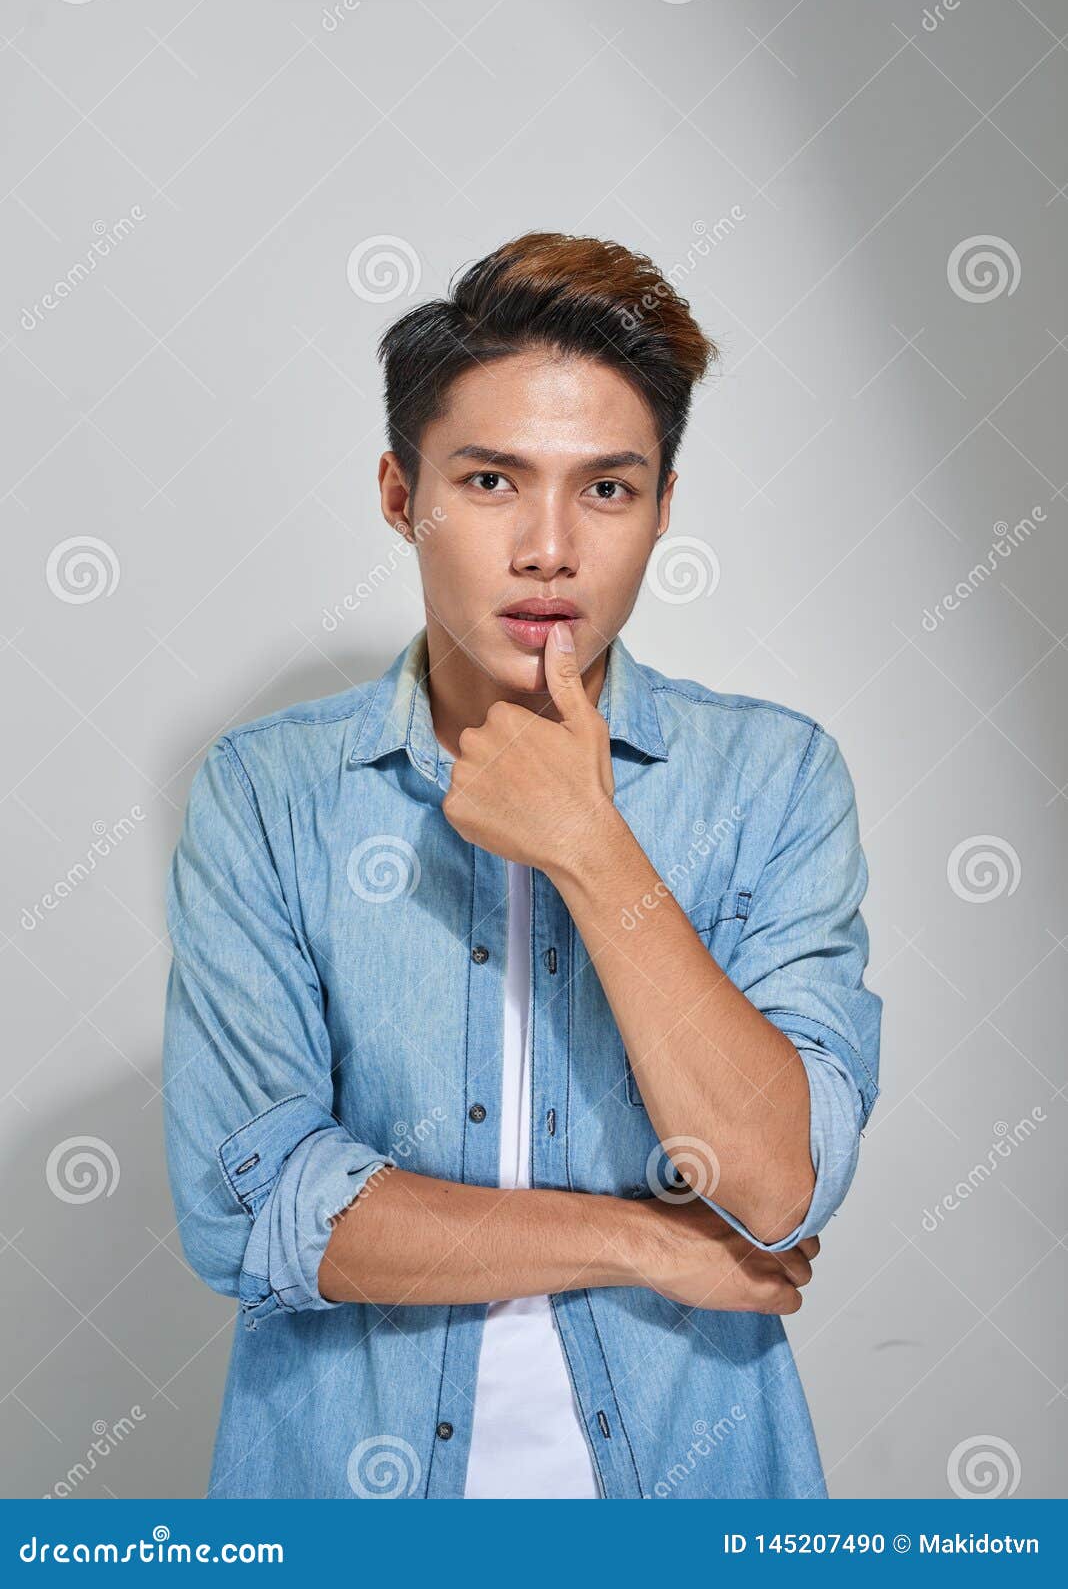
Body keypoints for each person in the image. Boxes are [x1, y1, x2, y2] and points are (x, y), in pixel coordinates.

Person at [162, 231, 881, 1500]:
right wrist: (642, 1242)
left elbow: (775, 1186)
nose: (549, 547)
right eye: (492, 481)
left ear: (663, 507)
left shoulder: (775, 779)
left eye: (607, 488)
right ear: (401, 496)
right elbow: (258, 1209)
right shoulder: (268, 795)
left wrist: (593, 848)